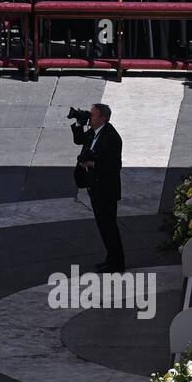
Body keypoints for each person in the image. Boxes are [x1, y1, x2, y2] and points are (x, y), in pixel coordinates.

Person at [72, 104, 124, 272]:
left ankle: (117, 262)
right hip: (95, 187)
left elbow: (114, 166)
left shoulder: (111, 137)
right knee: (103, 227)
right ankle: (111, 258)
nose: (90, 117)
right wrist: (79, 123)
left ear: (103, 118)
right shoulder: (96, 131)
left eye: (92, 115)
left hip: (106, 190)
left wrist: (92, 163)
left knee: (109, 226)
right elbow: (79, 140)